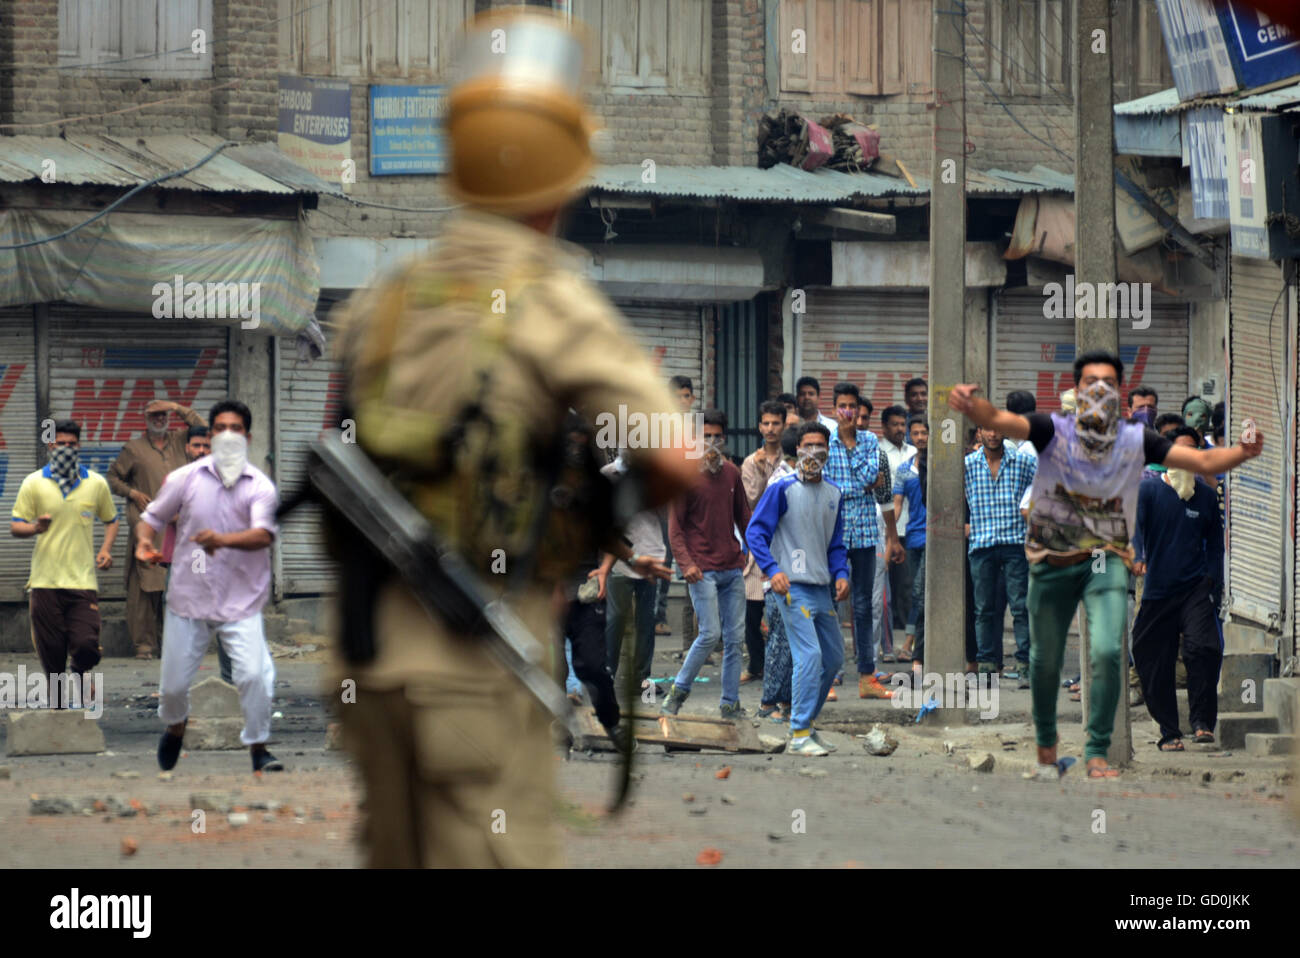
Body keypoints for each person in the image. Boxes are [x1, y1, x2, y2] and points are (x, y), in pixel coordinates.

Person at [324, 8, 696, 868]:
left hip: (366, 656)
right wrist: (579, 531)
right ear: (563, 181)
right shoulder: (546, 297)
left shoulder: (382, 299)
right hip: (476, 666)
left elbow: (338, 454)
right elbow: (672, 453)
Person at [948, 350, 1264, 779]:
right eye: (1091, 385)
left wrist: (1243, 453)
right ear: (1079, 393)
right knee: (1045, 660)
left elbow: (1203, 462)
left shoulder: (1137, 441)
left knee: (1109, 651)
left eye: (1108, 385)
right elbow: (1006, 423)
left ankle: (1099, 751)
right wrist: (974, 406)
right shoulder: (1050, 430)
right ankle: (1047, 743)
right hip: (1052, 561)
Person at [136, 399, 282, 773]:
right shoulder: (184, 479)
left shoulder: (260, 486)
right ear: (210, 434)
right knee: (171, 688)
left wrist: (223, 540)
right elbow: (151, 516)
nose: (228, 435)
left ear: (247, 437)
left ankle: (258, 749)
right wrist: (144, 542)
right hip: (188, 598)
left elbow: (264, 534)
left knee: (254, 675)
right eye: (220, 428)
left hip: (241, 602)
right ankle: (176, 725)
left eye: (236, 429)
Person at [746, 421, 851, 756]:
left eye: (820, 446)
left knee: (833, 659)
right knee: (810, 655)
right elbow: (755, 533)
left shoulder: (835, 493)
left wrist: (841, 573)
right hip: (792, 588)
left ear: (828, 451)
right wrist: (772, 570)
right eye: (807, 446)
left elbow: (836, 544)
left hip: (822, 589)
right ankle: (799, 732)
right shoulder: (782, 488)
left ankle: (807, 723)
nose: (814, 452)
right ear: (797, 450)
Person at [10, 420, 118, 708]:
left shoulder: (95, 484)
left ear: (79, 446)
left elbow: (112, 519)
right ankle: (58, 709)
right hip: (44, 582)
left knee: (86, 644)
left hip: (82, 582)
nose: (66, 449)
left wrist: (106, 550)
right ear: (50, 446)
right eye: (60, 445)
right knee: (52, 650)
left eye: (72, 444)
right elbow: (15, 526)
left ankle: (80, 671)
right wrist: (35, 528)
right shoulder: (34, 483)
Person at [1131, 426, 1225, 750]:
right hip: (1158, 589)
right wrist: (1138, 555)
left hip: (1195, 587)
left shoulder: (1206, 497)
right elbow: (1134, 528)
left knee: (1204, 648)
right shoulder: (1149, 491)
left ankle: (1202, 722)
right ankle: (1169, 731)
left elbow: (1215, 545)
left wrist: (1213, 580)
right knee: (1150, 655)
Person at [661, 410, 752, 718]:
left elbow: (744, 516)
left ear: (724, 439)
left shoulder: (731, 473)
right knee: (710, 634)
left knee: (735, 640)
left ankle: (730, 703)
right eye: (706, 437)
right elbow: (675, 529)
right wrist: (686, 564)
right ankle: (678, 692)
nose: (712, 442)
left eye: (717, 437)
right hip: (702, 570)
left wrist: (755, 551)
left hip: (731, 567)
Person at [107, 399, 206, 660]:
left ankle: (171, 646)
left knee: (173, 587)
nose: (160, 419)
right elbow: (113, 478)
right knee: (144, 590)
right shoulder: (134, 449)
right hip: (148, 527)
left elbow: (203, 427)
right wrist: (132, 492)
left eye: (163, 415)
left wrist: (175, 406)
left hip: (178, 529)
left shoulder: (180, 440)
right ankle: (144, 646)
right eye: (155, 415)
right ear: (145, 418)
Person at [823, 383, 898, 699]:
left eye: (852, 406)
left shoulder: (869, 441)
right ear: (834, 408)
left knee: (864, 606)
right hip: (833, 532)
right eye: (842, 405)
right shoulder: (824, 441)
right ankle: (829, 675)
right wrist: (862, 485)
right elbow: (827, 483)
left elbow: (872, 479)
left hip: (866, 532)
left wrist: (852, 447)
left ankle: (867, 676)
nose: (848, 412)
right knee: (828, 605)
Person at [964, 423, 1035, 686]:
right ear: (979, 432)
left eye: (996, 429)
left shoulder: (1023, 462)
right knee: (983, 609)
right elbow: (951, 497)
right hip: (981, 544)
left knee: (1020, 607)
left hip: (1015, 543)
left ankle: (1025, 664)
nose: (992, 434)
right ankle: (986, 665)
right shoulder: (968, 464)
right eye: (987, 429)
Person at [601, 449, 668, 697]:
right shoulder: (608, 475)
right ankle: (608, 673)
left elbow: (666, 512)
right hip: (618, 557)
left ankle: (642, 676)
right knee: (616, 618)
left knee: (646, 619)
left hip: (651, 551)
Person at [739, 401, 788, 683]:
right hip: (759, 546)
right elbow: (751, 503)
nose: (770, 428)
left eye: (776, 423)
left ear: (783, 425)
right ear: (759, 426)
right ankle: (756, 665)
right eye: (766, 423)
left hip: (785, 541)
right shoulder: (749, 462)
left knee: (781, 612)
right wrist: (760, 472)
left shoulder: (791, 459)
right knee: (751, 613)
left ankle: (778, 668)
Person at [756, 426, 801, 721]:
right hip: (781, 575)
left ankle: (785, 702)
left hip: (797, 574)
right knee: (780, 641)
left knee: (791, 641)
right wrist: (772, 571)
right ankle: (769, 702)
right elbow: (760, 532)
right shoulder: (782, 482)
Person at [654, 376, 698, 638]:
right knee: (665, 557)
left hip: (691, 502)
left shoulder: (697, 428)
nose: (682, 401)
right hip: (665, 503)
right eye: (677, 396)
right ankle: (658, 616)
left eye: (686, 396)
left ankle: (696, 627)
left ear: (692, 398)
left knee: (693, 558)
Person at [878, 404, 916, 637]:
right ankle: (888, 634)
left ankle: (903, 632)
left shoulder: (914, 452)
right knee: (884, 584)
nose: (900, 429)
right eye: (895, 424)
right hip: (884, 526)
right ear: (884, 427)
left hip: (908, 526)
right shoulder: (877, 451)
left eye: (903, 424)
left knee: (906, 584)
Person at [893, 416, 927, 668]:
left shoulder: (941, 466)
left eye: (924, 432)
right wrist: (891, 537)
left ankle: (910, 643)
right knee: (917, 593)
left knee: (918, 591)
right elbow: (896, 504)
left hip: (936, 537)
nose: (920, 438)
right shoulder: (905, 469)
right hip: (913, 535)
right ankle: (916, 643)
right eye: (915, 433)